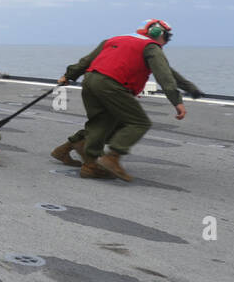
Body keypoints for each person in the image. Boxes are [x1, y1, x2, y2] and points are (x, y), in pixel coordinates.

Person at [53, 19, 202, 181]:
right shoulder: (151, 46)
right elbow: (164, 76)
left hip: (90, 80)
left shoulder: (115, 40)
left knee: (102, 122)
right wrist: (177, 101)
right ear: (158, 33)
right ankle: (111, 158)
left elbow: (86, 61)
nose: (166, 42)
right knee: (138, 123)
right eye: (168, 38)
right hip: (112, 85)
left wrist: (68, 76)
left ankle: (73, 151)